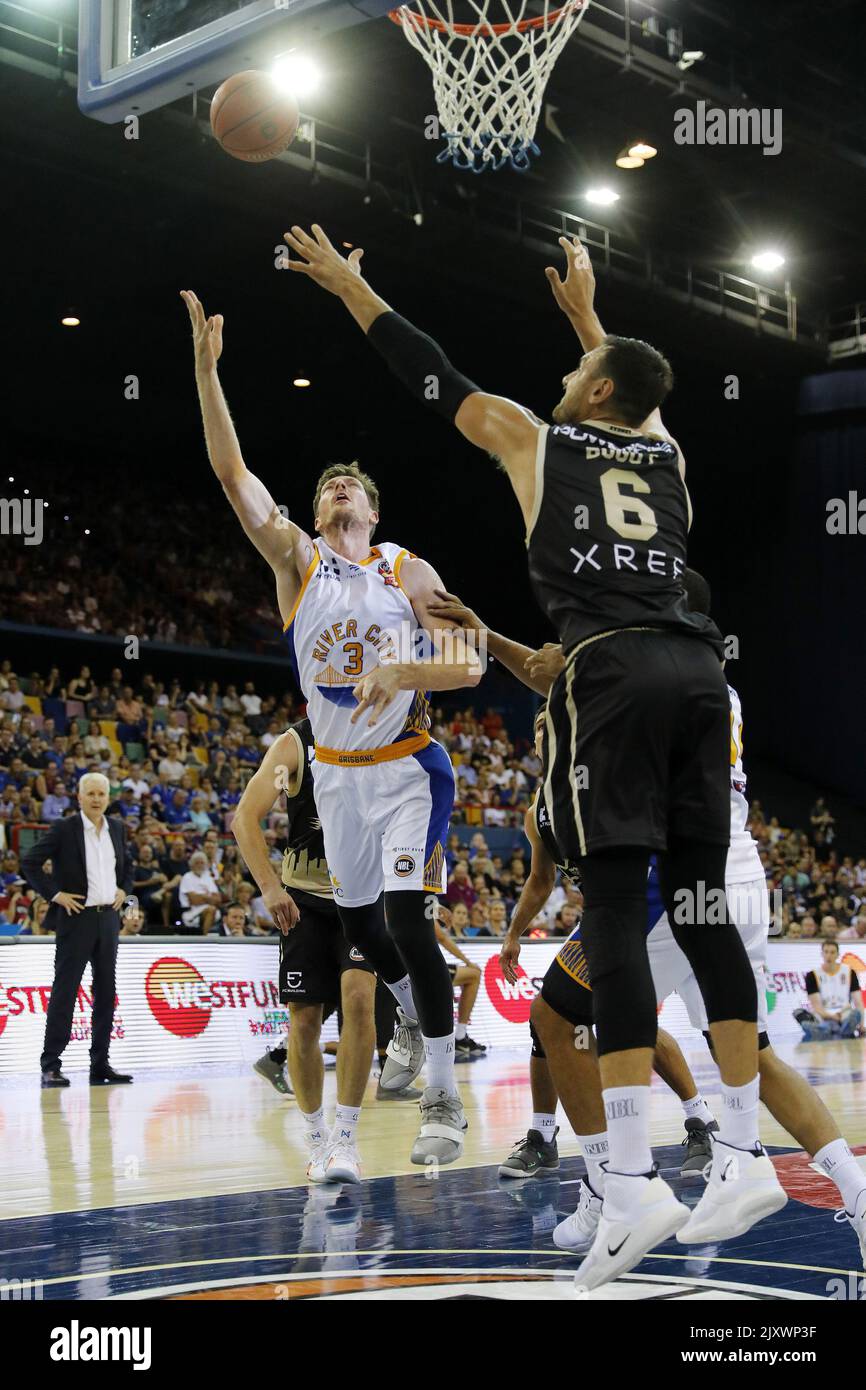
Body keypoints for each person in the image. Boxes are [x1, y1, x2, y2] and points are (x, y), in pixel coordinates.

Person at [182, 286, 482, 1170]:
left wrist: (403, 672)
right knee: (371, 932)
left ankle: (443, 1094)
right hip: (338, 778)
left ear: (374, 514)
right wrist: (207, 375)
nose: (337, 488)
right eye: (326, 488)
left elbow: (469, 663)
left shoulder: (405, 569)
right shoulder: (298, 563)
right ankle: (412, 1023)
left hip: (408, 767)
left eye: (351, 486)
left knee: (408, 920)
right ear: (315, 515)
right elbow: (233, 476)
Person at [232, 718, 417, 1183]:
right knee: (304, 1020)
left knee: (359, 1000)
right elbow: (244, 817)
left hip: (362, 899)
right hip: (303, 901)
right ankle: (316, 1139)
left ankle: (346, 1139)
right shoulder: (295, 744)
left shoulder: (384, 736)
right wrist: (269, 887)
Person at [20, 771, 133, 1087]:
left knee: (106, 993)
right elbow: (30, 862)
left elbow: (129, 867)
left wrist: (124, 890)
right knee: (65, 992)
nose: (96, 799)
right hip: (76, 918)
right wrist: (55, 895)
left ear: (108, 798)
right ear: (79, 797)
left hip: (108, 919)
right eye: (91, 793)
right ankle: (51, 1065)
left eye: (101, 794)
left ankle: (100, 1065)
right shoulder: (64, 828)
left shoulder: (118, 829)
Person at [434, 915, 486, 1060]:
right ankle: (460, 1037)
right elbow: (442, 937)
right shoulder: (420, 904)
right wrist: (467, 961)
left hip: (402, 966)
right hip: (423, 967)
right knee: (474, 974)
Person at [798, 941, 863, 1039]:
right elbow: (816, 1006)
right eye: (826, 952)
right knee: (800, 1013)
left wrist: (861, 1026)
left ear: (838, 954)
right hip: (824, 1013)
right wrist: (832, 1017)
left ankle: (829, 1030)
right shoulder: (812, 975)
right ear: (822, 954)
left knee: (855, 1014)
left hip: (844, 1012)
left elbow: (858, 1002)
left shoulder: (849, 972)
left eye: (832, 952)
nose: (829, 956)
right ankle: (835, 1029)